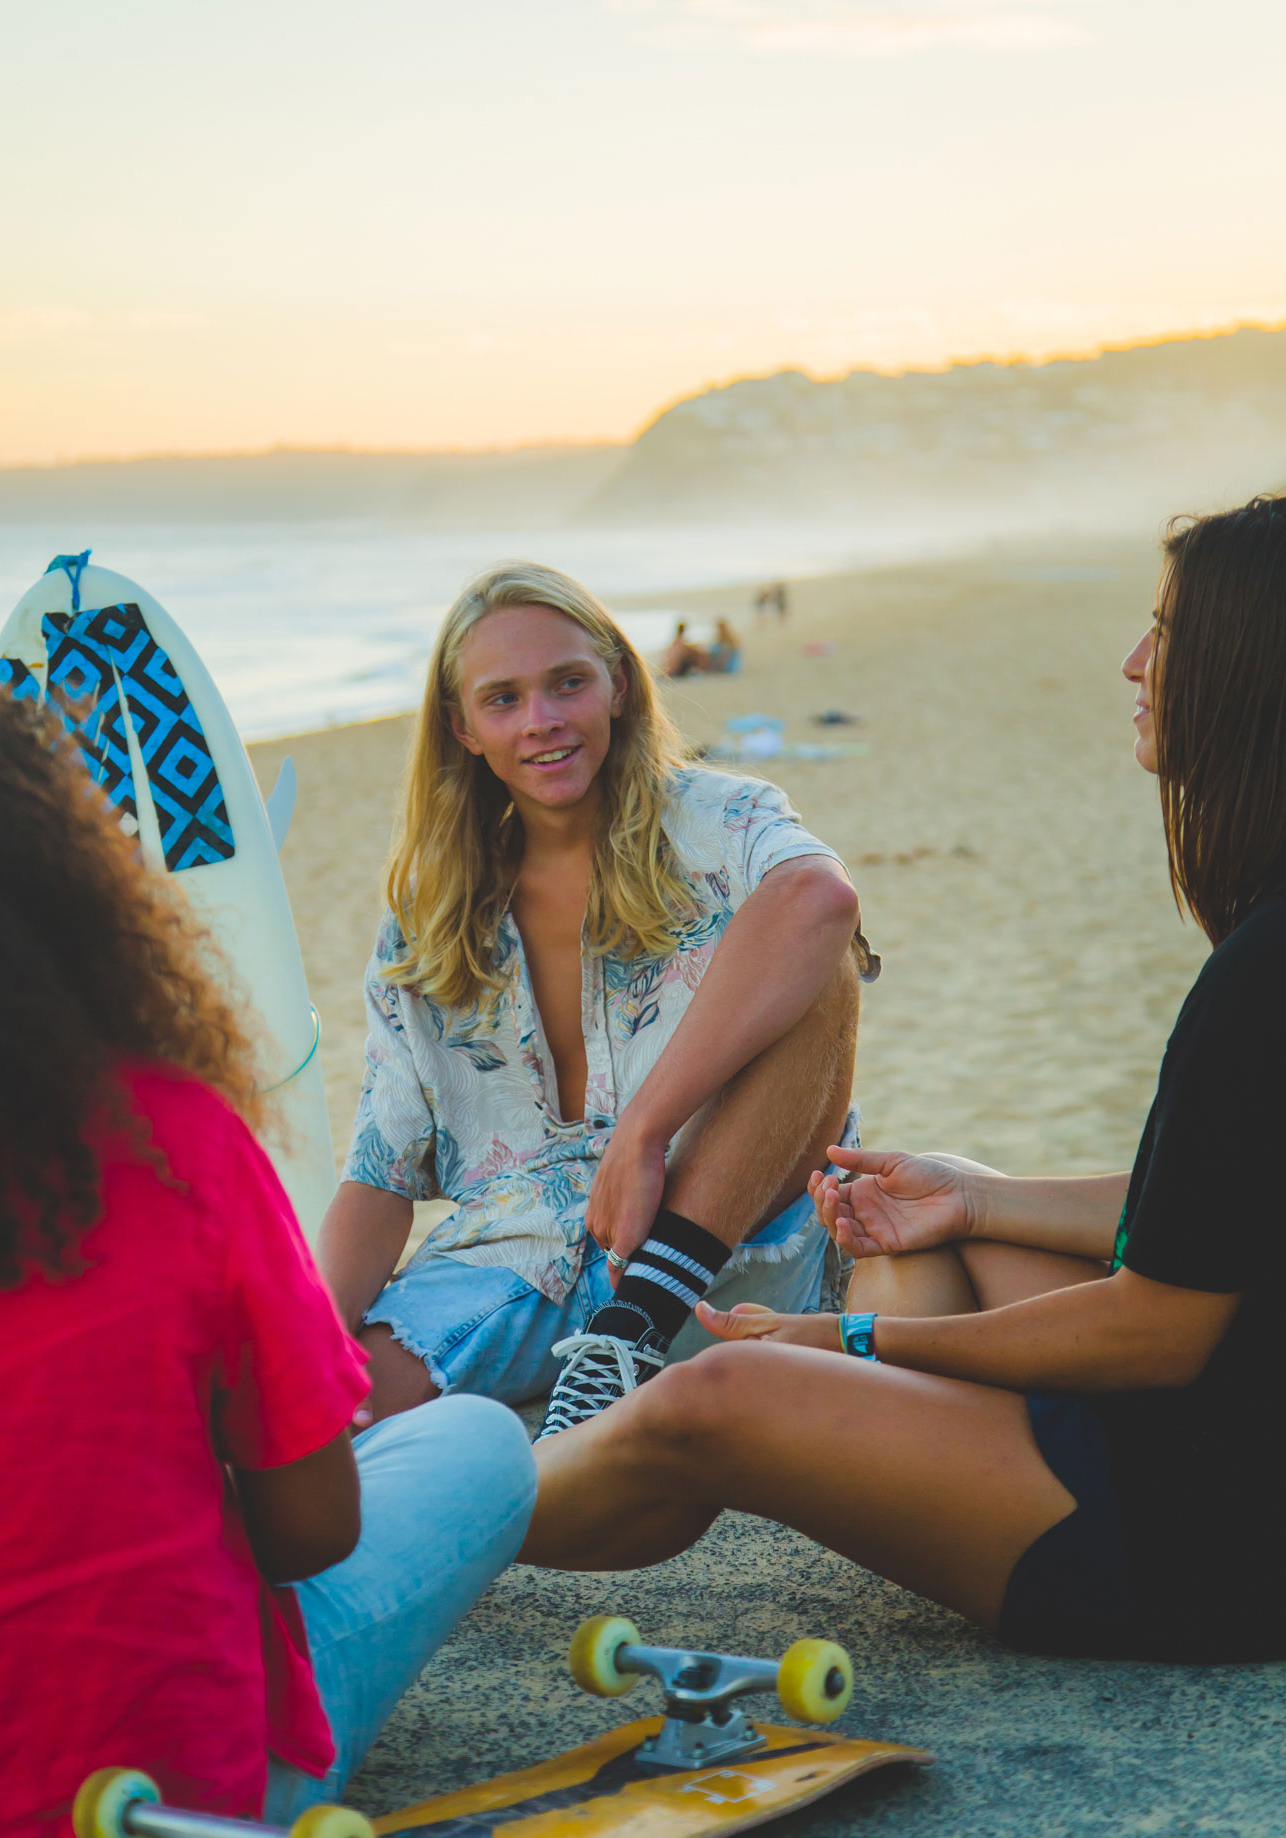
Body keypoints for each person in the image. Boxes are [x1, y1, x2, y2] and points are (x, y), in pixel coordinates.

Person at [519, 495, 1286, 1665]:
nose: (1135, 663)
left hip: (1208, 1542)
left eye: (1169, 633)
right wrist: (975, 1199)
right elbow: (1226, 1221)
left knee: (710, 1397)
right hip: (1235, 1437)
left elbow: (1158, 1335)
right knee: (937, 1234)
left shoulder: (1262, 975)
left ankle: (403, 1537)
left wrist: (848, 1342)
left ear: (1246, 672)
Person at [0, 622, 535, 1838]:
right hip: (162, 1832)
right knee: (481, 1446)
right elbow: (311, 1530)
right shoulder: (169, 1140)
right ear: (30, 877)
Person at [317, 562, 876, 1439]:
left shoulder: (717, 822)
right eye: (503, 699)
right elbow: (381, 1176)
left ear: (617, 683)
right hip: (513, 1255)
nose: (541, 720)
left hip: (712, 1256)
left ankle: (626, 1335)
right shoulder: (429, 917)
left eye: (568, 683)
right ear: (462, 726)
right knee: (324, 1415)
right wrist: (306, 1344)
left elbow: (820, 900)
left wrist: (643, 1134)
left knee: (823, 972)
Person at [662, 616, 740, 679]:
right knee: (694, 654)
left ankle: (679, 669)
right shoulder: (725, 642)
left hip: (723, 667)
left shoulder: (728, 643)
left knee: (696, 654)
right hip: (718, 664)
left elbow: (722, 657)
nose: (718, 631)